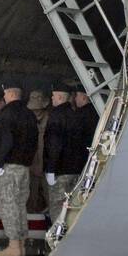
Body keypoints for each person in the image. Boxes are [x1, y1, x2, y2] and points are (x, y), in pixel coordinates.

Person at [0, 81, 38, 256]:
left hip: (9, 166)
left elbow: (6, 141)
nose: (3, 97)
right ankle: (21, 244)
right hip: (24, 167)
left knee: (8, 205)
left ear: (10, 94)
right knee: (20, 206)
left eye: (5, 93)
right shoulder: (29, 114)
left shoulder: (7, 113)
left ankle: (13, 245)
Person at [43, 83, 80, 223]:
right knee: (71, 210)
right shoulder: (75, 115)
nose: (51, 99)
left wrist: (51, 168)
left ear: (59, 96)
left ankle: (57, 242)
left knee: (58, 208)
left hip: (60, 171)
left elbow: (54, 144)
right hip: (75, 171)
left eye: (53, 96)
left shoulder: (56, 115)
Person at [26, 89, 51, 211]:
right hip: (31, 168)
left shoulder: (52, 120)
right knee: (31, 201)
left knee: (52, 201)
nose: (35, 112)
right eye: (33, 110)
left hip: (48, 168)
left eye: (37, 109)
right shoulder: (26, 121)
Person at [71, 85, 99, 171]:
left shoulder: (80, 114)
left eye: (77, 96)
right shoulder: (97, 111)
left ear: (84, 97)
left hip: (80, 156)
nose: (75, 99)